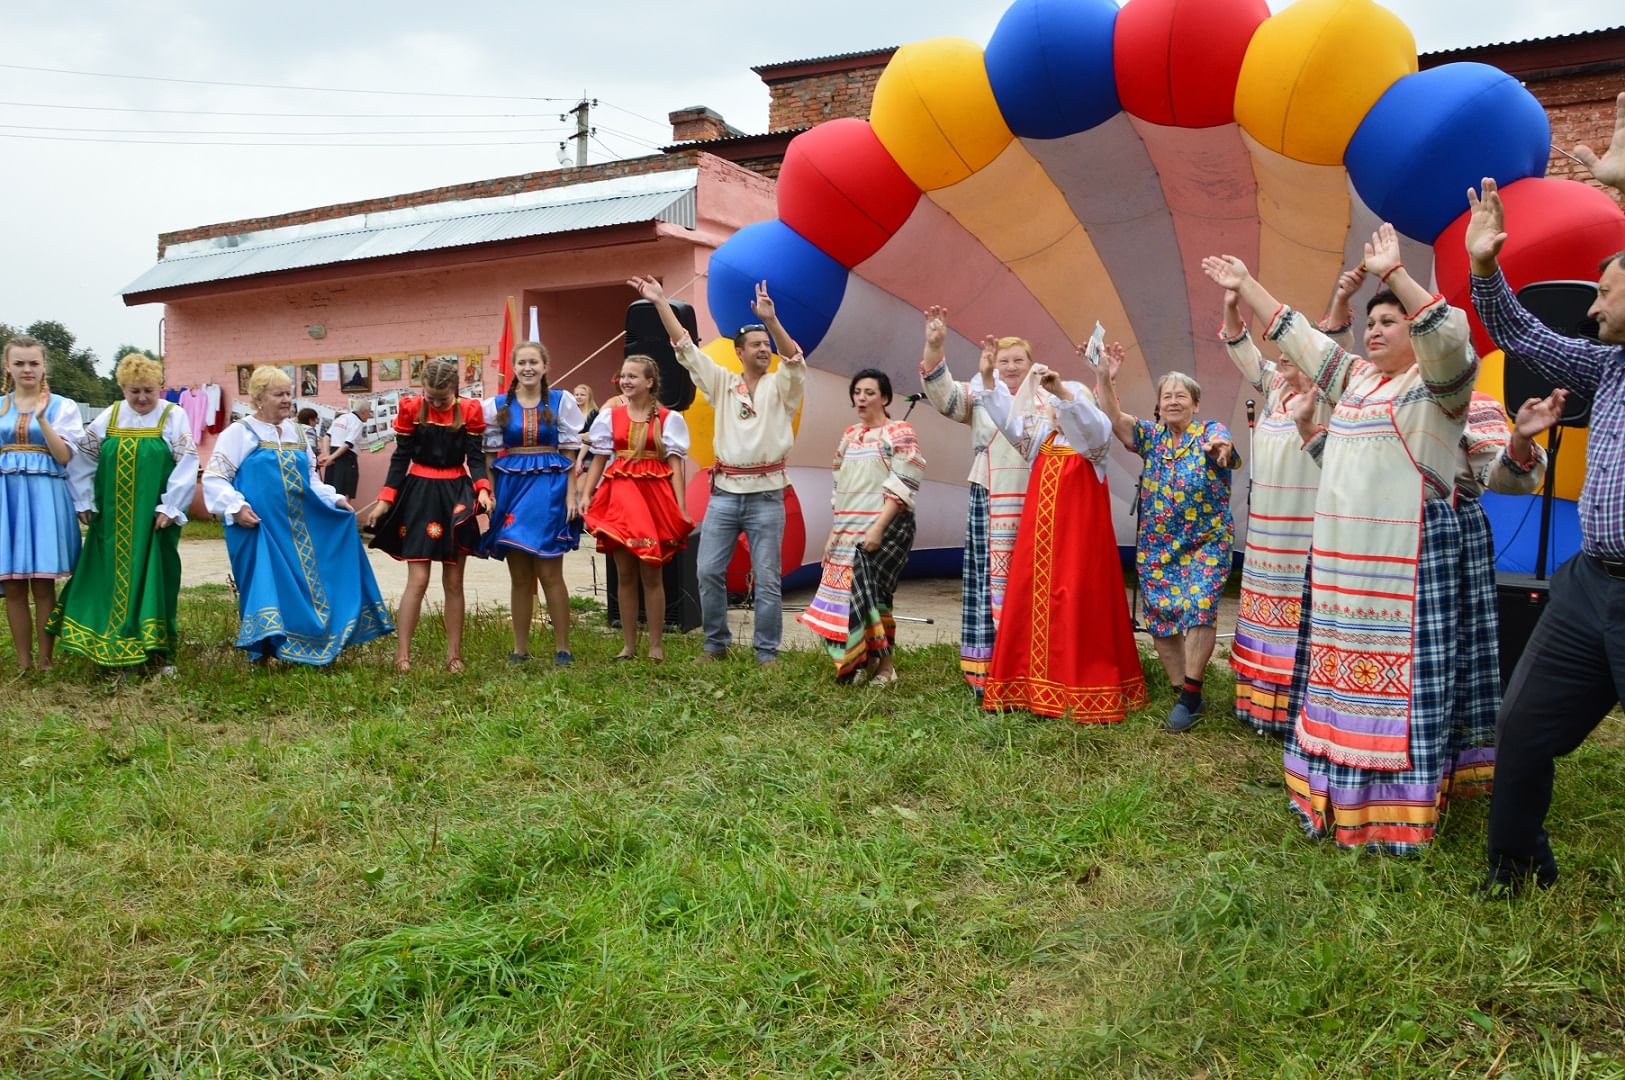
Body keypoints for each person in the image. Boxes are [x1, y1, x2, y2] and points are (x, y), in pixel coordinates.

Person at [1204, 223, 1482, 854]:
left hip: (1402, 568)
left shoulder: (1439, 391)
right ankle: (1330, 799)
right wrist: (1245, 285)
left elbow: (1451, 345)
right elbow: (1298, 339)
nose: (1379, 329)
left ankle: (1390, 820)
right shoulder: (1353, 380)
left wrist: (1396, 278)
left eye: (1395, 321)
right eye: (1373, 322)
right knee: (1336, 684)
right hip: (1339, 571)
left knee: (1393, 692)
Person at [1469, 112, 1625, 888]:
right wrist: (1484, 270)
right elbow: (1521, 335)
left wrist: (1621, 185)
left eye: (1603, 292)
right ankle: (1515, 867)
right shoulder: (1609, 367)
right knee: (1521, 727)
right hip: (1588, 581)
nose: (1591, 309)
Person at [628, 275, 806, 666]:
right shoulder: (722, 383)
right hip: (724, 494)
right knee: (707, 572)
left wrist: (771, 322)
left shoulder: (784, 386)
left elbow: (793, 358)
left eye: (766, 345)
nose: (764, 349)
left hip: (767, 495)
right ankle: (715, 646)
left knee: (768, 579)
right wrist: (660, 302)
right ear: (739, 352)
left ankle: (766, 652)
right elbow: (685, 348)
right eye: (756, 345)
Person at [973, 343, 1148, 721]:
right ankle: (1031, 688)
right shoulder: (1040, 442)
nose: (1055, 410)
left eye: (1062, 405)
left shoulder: (1094, 448)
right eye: (1052, 405)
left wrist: (1066, 392)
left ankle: (1081, 691)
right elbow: (1007, 417)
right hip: (1040, 548)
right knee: (1034, 608)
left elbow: (1091, 422)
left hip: (1080, 551)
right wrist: (988, 375)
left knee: (1077, 609)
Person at [203, 367, 393, 665]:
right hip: (258, 528)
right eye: (278, 394)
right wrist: (235, 507)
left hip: (297, 526)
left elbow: (311, 479)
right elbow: (215, 477)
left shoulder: (298, 432)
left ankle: (308, 644)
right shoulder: (239, 433)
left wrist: (335, 498)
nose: (286, 400)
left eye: (289, 393)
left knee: (305, 585)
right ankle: (267, 651)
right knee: (268, 585)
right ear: (258, 398)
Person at [1095, 351, 1238, 732]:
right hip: (1159, 545)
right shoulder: (1151, 436)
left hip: (1207, 541)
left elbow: (1225, 445)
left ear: (1195, 404)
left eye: (1181, 396)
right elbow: (1112, 418)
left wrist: (1221, 452)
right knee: (1162, 617)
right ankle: (1182, 690)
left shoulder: (1209, 432)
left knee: (1200, 604)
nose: (1173, 401)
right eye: (1167, 396)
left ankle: (1192, 693)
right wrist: (1105, 376)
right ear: (1158, 406)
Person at [48, 351, 197, 675]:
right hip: (113, 520)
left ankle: (156, 652)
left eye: (148, 390)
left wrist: (171, 506)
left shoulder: (173, 416)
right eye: (134, 391)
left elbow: (186, 463)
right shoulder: (110, 416)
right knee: (109, 580)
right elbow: (83, 459)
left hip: (153, 520)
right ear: (122, 389)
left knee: (156, 578)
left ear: (159, 387)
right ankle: (112, 644)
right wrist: (84, 500)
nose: (142, 398)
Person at [1221, 289, 1329, 735]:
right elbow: (1240, 347)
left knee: (1300, 615)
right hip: (1267, 533)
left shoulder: (1331, 396)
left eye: (1292, 349)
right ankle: (1258, 708)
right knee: (1266, 612)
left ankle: (1295, 712)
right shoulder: (1273, 386)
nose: (1280, 355)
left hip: (1307, 528)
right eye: (1279, 349)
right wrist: (1231, 304)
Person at [919, 309, 1044, 694]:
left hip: (1038, 495)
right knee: (987, 576)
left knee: (1035, 577)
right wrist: (935, 345)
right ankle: (988, 670)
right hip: (990, 492)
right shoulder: (978, 391)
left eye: (1017, 360)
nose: (1010, 367)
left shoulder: (1045, 397)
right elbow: (944, 399)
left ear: (1030, 364)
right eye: (1003, 360)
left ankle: (1034, 664)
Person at [365, 357, 491, 673]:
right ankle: (402, 655)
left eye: (442, 398)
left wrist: (483, 490)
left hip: (455, 496)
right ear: (422, 389)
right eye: (430, 397)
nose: (435, 403)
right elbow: (400, 458)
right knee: (417, 580)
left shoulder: (471, 411)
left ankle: (454, 656)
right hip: (419, 495)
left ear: (455, 389)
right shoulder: (410, 409)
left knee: (453, 581)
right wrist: (385, 500)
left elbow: (476, 459)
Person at [800, 369, 926, 685]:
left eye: (869, 392)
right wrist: (834, 532)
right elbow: (840, 487)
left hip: (887, 527)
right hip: (848, 528)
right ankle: (856, 661)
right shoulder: (849, 436)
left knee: (875, 597)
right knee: (847, 597)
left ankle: (886, 668)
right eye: (857, 392)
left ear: (884, 398)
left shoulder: (900, 433)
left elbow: (904, 484)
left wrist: (878, 528)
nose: (861, 398)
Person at [480, 340, 585, 666]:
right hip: (511, 490)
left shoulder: (561, 401)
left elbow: (569, 452)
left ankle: (563, 648)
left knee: (550, 571)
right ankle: (520, 649)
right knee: (520, 575)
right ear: (514, 367)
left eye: (533, 363)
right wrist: (492, 494)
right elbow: (487, 457)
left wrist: (571, 495)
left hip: (550, 490)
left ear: (544, 366)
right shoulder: (497, 406)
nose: (527, 368)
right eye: (522, 363)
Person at [581, 355, 692, 661]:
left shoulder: (669, 419)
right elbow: (600, 458)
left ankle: (656, 645)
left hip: (653, 498)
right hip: (619, 498)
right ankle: (629, 645)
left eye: (632, 376)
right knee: (625, 574)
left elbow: (676, 463)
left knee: (651, 572)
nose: (626, 381)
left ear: (649, 382)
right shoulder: (610, 417)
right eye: (623, 376)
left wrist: (681, 506)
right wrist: (587, 494)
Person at [0, 336, 83, 672]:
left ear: (44, 366)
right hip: (7, 500)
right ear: (8, 366)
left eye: (33, 363)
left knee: (43, 583)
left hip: (45, 497)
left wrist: (43, 419)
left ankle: (46, 662)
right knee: (14, 585)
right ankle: (24, 664)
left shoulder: (63, 406)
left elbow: (64, 457)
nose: (27, 369)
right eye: (19, 363)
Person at [320, 399, 371, 500]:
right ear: (364, 411)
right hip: (346, 457)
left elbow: (326, 437)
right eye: (369, 412)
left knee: (331, 490)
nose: (369, 415)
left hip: (333, 453)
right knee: (346, 490)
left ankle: (333, 514)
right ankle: (344, 514)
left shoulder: (341, 418)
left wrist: (328, 456)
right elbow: (348, 444)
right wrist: (331, 458)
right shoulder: (358, 422)